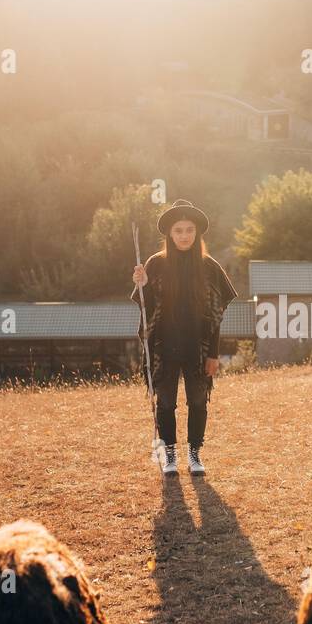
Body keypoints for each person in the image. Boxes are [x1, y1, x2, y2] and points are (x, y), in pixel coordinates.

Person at [131, 199, 237, 476]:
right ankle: (169, 457)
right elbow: (148, 308)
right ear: (170, 233)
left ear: (197, 233)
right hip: (163, 347)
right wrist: (143, 285)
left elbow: (215, 317)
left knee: (198, 401)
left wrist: (213, 353)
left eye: (189, 229)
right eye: (178, 230)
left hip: (197, 348)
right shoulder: (155, 264)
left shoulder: (209, 267)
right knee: (165, 403)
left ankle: (194, 455)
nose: (184, 235)